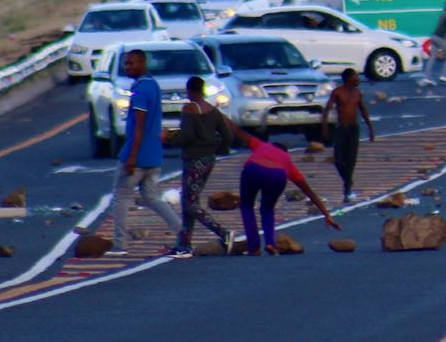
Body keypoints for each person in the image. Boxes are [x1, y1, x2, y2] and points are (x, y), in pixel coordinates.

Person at [108, 48, 185, 256]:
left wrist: (132, 156)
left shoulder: (140, 89)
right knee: (152, 197)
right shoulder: (153, 85)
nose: (127, 67)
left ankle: (120, 244)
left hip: (138, 154)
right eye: (126, 64)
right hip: (153, 154)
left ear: (143, 64)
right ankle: (181, 230)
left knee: (122, 197)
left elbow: (139, 125)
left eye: (131, 63)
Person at [233, 129, 339, 255]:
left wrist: (216, 114)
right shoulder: (287, 161)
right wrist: (326, 214)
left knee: (246, 205)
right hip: (277, 174)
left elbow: (238, 131)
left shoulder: (261, 145)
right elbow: (308, 191)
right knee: (267, 209)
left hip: (253, 168)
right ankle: (270, 244)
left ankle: (254, 247)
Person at [175, 76, 235, 255]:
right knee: (189, 201)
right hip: (209, 159)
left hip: (194, 159)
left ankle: (223, 232)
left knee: (191, 204)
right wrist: (219, 149)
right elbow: (227, 135)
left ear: (189, 91)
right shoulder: (213, 111)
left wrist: (170, 139)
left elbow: (187, 136)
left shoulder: (189, 110)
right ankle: (184, 244)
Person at [321, 68, 374, 201]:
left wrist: (370, 128)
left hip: (353, 129)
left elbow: (363, 110)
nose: (358, 79)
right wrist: (325, 128)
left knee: (351, 160)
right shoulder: (338, 92)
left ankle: (347, 190)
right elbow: (327, 110)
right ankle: (347, 181)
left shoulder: (357, 93)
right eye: (356, 76)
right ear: (349, 78)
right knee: (338, 161)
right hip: (340, 129)